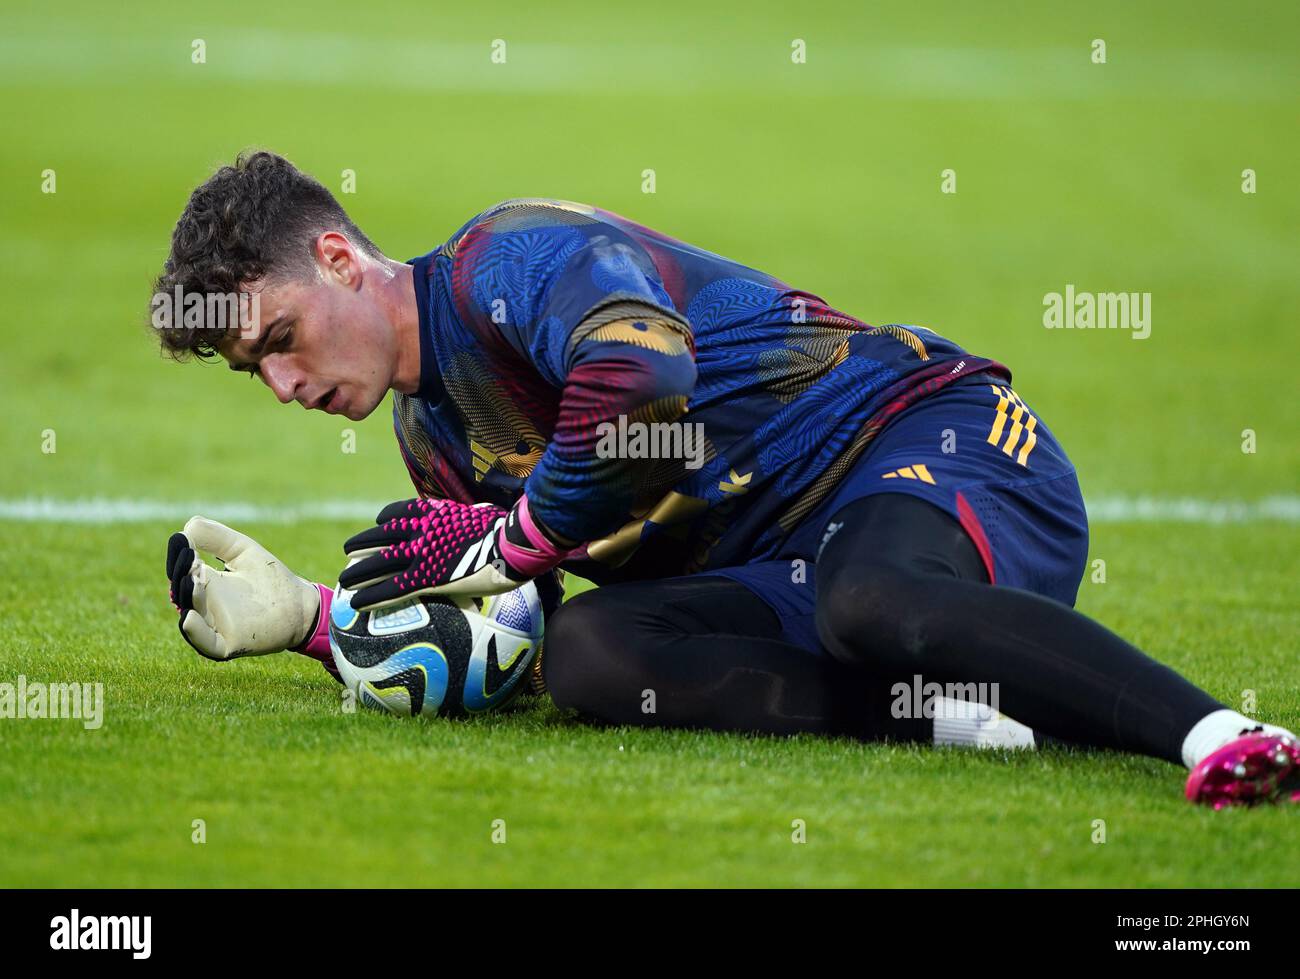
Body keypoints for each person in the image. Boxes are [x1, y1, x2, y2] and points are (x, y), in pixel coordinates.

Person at [154, 151, 1297, 808]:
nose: (285, 385)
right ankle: (949, 715)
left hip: (932, 444)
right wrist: (318, 621)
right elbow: (506, 625)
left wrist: (515, 538)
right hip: (784, 563)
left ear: (342, 261)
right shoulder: (432, 436)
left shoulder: (508, 257)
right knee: (595, 656)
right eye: (256, 369)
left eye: (281, 338)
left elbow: (643, 378)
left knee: (866, 599)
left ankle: (1220, 735)